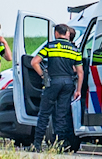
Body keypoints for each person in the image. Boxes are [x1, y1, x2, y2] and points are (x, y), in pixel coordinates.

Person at [30, 23, 82, 151]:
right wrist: (78, 90)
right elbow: (79, 72)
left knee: (44, 113)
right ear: (67, 34)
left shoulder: (50, 46)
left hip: (53, 82)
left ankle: (37, 144)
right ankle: (60, 145)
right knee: (62, 114)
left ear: (56, 33)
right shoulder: (74, 50)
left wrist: (43, 75)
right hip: (68, 83)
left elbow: (34, 62)